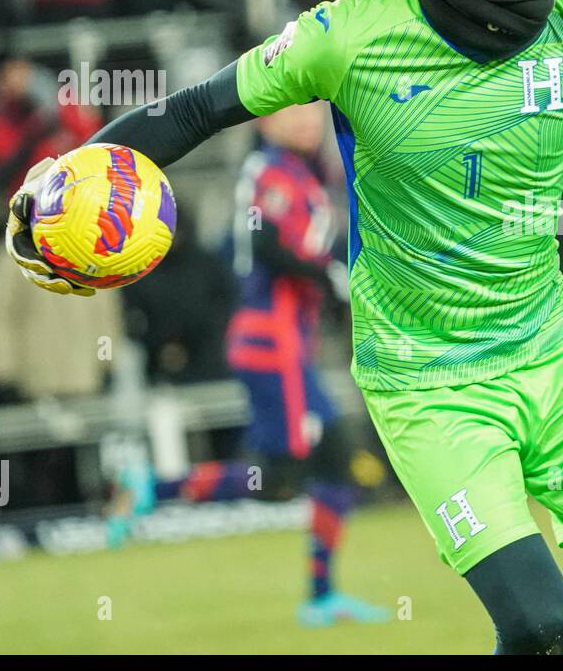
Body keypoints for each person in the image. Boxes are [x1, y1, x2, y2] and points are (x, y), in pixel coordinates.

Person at [4, 0, 563, 655]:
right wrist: (67, 181)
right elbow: (193, 111)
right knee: (535, 624)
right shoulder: (349, 37)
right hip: (428, 384)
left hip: (562, 358)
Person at [108, 102, 389, 626]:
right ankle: (318, 594)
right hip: (270, 341)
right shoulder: (269, 170)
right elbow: (266, 245)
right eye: (293, 111)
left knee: (296, 472)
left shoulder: (303, 171)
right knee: (313, 463)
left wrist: (331, 283)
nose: (306, 120)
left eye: (312, 110)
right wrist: (330, 276)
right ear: (265, 119)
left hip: (286, 343)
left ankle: (153, 487)